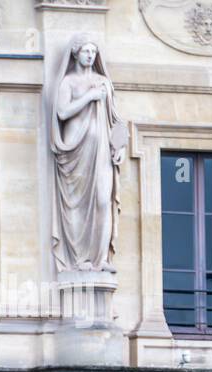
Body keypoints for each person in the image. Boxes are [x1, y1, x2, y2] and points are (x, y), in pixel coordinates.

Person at [50, 35, 125, 274]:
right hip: (75, 151)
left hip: (102, 150)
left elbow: (116, 120)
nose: (90, 55)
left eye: (94, 51)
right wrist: (88, 97)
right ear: (75, 54)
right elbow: (62, 112)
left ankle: (101, 258)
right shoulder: (68, 83)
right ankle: (79, 259)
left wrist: (120, 146)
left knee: (104, 200)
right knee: (76, 206)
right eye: (85, 51)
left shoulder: (104, 82)